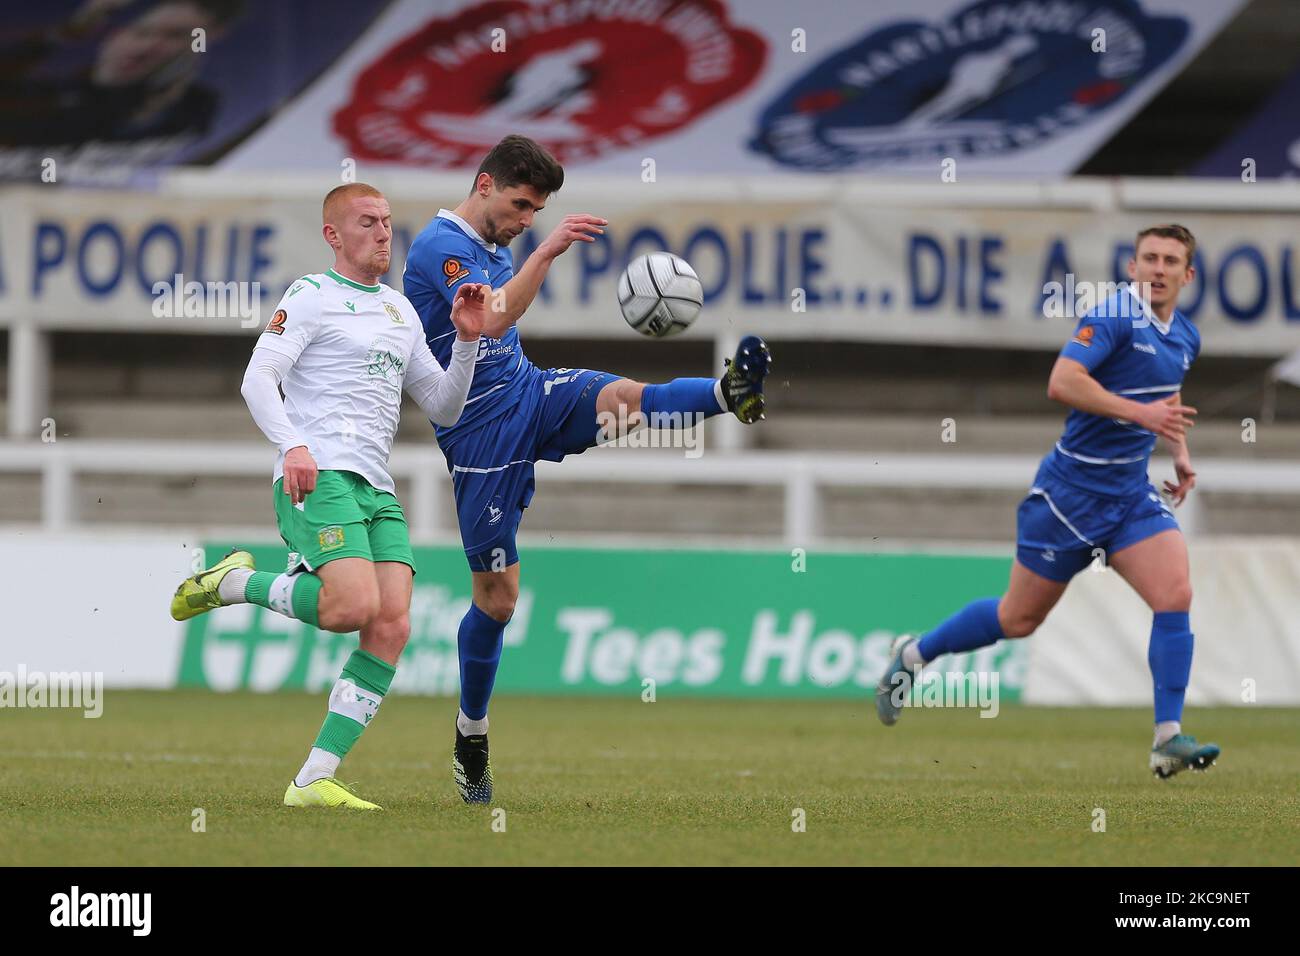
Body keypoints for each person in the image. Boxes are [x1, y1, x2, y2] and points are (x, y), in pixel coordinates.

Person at [403, 134, 772, 803]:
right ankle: (471, 736)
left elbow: (503, 323)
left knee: (625, 399)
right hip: (482, 442)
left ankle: (729, 394)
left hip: (530, 394)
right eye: (520, 205)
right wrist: (546, 251)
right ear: (485, 185)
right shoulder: (441, 247)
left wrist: (531, 250)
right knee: (499, 600)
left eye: (535, 212)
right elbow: (489, 319)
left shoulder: (496, 243)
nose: (526, 221)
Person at [170, 182, 485, 809]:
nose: (382, 233)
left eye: (388, 222)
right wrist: (292, 445)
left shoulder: (401, 312)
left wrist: (469, 340)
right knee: (350, 607)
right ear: (333, 235)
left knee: (391, 626)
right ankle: (235, 583)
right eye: (366, 222)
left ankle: (313, 779)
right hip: (320, 476)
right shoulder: (311, 296)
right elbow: (258, 378)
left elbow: (445, 407)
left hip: (376, 486)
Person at [875, 224, 1220, 780]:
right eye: (1149, 258)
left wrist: (1178, 450)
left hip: (1130, 497)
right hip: (1068, 500)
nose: (1158, 269)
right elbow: (1062, 381)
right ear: (1132, 268)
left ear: (1188, 274)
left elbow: (1167, 392)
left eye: (1170, 261)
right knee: (1018, 619)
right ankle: (915, 656)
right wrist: (1142, 417)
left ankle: (1167, 739)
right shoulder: (1110, 319)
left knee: (1176, 593)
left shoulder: (1185, 336)